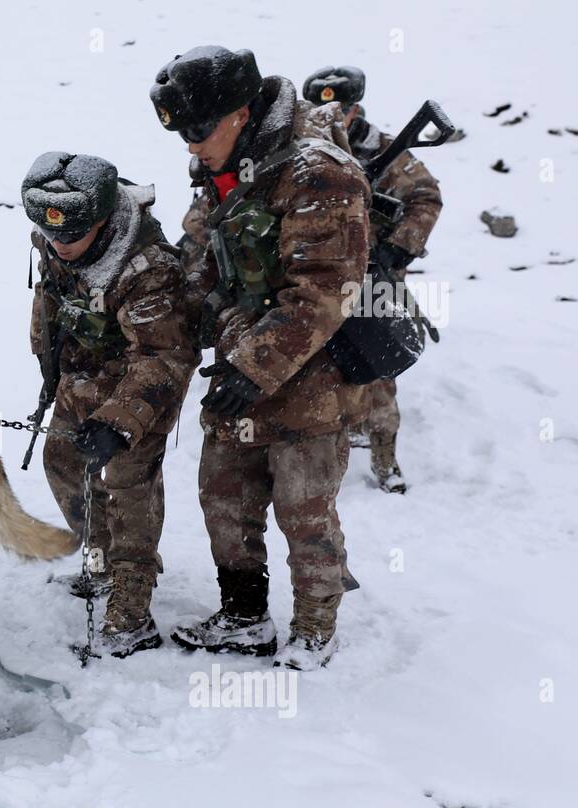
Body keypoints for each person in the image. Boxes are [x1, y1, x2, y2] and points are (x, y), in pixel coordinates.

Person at [151, 46, 371, 669]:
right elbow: (198, 257)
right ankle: (244, 617)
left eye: (199, 130)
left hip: (312, 376)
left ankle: (315, 626)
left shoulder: (315, 171)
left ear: (241, 112)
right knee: (223, 496)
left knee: (305, 511)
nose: (191, 148)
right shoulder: (226, 164)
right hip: (239, 364)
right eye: (182, 133)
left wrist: (253, 367)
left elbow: (324, 292)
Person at [22, 152, 200, 658]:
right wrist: (48, 368)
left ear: (101, 222)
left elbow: (165, 355)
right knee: (63, 467)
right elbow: (50, 301)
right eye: (49, 234)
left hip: (141, 390)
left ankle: (132, 602)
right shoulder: (58, 234)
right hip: (81, 379)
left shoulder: (149, 269)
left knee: (128, 487)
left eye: (70, 236)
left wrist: (118, 424)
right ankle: (100, 560)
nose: (58, 244)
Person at [304, 65, 444, 494]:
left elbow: (425, 196)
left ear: (355, 109)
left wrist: (399, 246)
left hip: (373, 275)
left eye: (339, 110)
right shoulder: (306, 149)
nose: (331, 118)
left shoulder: (384, 151)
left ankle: (384, 457)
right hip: (320, 276)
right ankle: (337, 436)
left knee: (380, 366)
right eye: (320, 109)